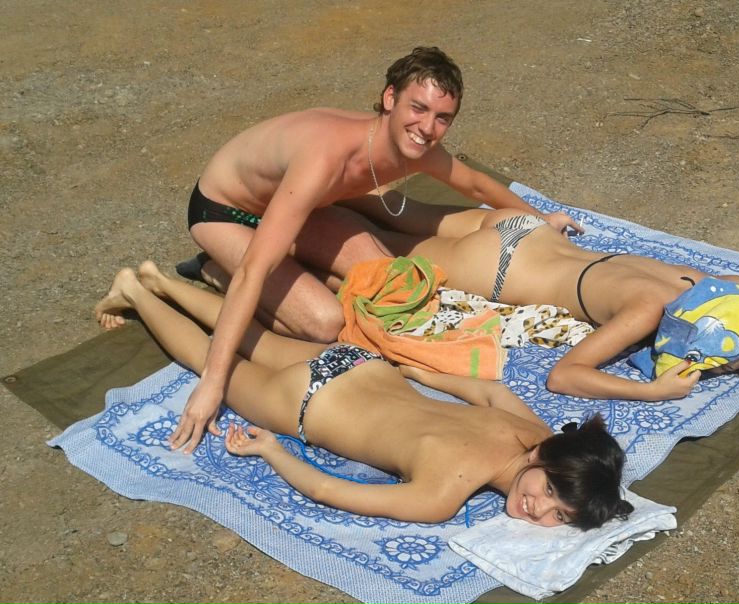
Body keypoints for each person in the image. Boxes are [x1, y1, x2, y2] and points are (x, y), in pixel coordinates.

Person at [171, 46, 581, 454]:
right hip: (227, 213)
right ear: (389, 98)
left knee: (389, 278)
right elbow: (255, 271)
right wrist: (212, 383)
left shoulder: (414, 147)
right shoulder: (326, 156)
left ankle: (288, 267)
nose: (427, 128)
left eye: (442, 118)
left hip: (295, 206)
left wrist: (541, 219)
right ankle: (215, 268)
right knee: (323, 321)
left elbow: (474, 184)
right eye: (418, 108)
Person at [94, 262, 632, 528]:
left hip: (362, 367)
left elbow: (490, 391)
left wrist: (417, 374)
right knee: (211, 361)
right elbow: (327, 491)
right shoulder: (441, 497)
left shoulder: (534, 433)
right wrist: (274, 450)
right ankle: (138, 291)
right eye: (550, 492)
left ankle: (160, 280)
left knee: (254, 339)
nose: (538, 508)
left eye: (559, 516)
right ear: (544, 460)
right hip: (307, 404)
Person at [295, 195, 739, 402]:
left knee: (388, 206)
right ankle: (275, 220)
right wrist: (653, 392)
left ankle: (308, 188)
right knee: (368, 251)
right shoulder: (648, 311)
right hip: (497, 268)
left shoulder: (697, 282)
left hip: (528, 229)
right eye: (717, 363)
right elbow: (564, 375)